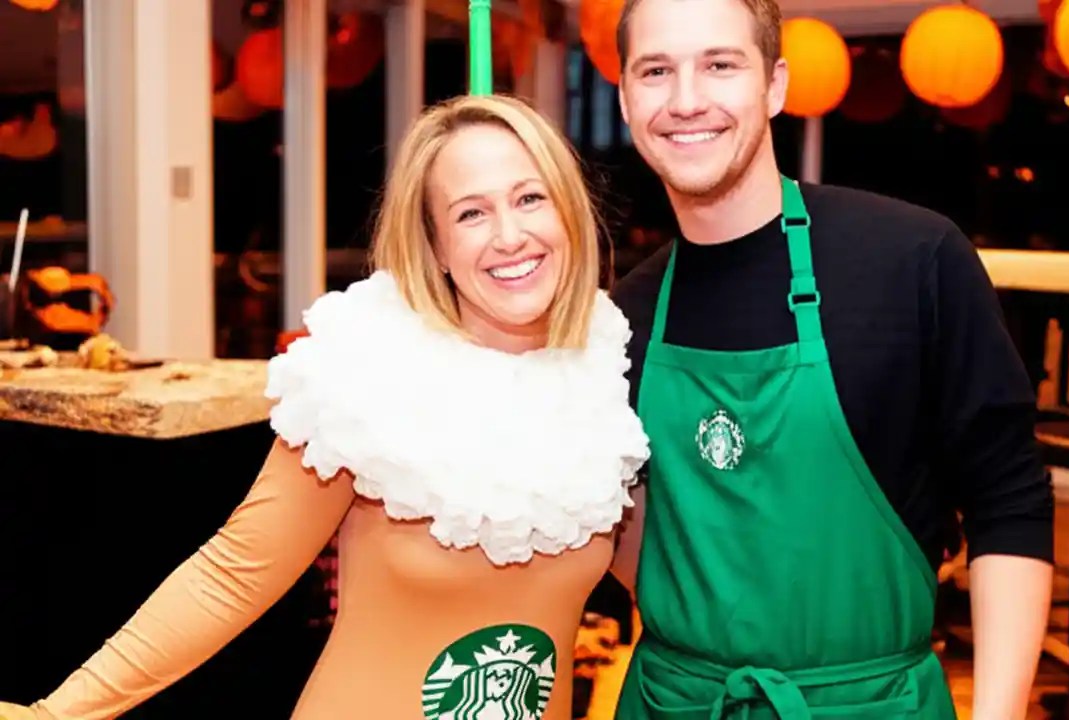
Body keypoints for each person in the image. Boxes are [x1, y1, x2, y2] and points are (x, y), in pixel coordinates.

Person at [0, 94, 650, 720]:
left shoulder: (600, 366)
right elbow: (230, 575)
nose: (510, 235)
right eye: (470, 213)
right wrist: (61, 713)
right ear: (436, 247)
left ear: (568, 211)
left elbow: (660, 574)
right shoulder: (371, 372)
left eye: (529, 198)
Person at [606, 0, 1055, 717]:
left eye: (720, 64)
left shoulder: (913, 260)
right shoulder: (621, 320)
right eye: (656, 71)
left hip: (869, 703)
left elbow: (1009, 503)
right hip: (675, 701)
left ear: (775, 85)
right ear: (627, 99)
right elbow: (632, 541)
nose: (686, 100)